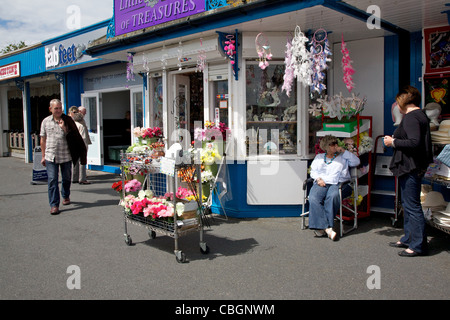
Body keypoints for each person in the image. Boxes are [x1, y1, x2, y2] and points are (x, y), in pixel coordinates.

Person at [384, 85, 433, 257]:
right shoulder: (420, 116)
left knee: (412, 205)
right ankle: (409, 238)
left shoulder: (412, 117)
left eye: (397, 102)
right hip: (413, 165)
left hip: (411, 166)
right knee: (408, 203)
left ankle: (418, 245)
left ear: (403, 101)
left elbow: (414, 142)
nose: (397, 106)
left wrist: (393, 142)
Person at [309, 135, 360, 240]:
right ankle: (328, 228)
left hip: (340, 183)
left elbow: (356, 162)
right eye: (332, 145)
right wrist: (318, 179)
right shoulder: (319, 157)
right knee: (313, 198)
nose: (335, 146)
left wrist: (343, 151)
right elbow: (313, 171)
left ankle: (323, 227)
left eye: (336, 144)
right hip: (321, 182)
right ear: (326, 146)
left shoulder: (343, 157)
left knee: (332, 196)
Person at [40, 99, 87, 215]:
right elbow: (43, 139)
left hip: (65, 156)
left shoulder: (67, 120)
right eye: (56, 108)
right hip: (51, 156)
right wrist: (43, 156)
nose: (59, 110)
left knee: (66, 178)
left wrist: (64, 129)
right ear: (50, 109)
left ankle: (65, 195)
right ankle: (54, 205)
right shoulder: (45, 121)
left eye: (60, 108)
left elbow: (75, 137)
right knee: (52, 180)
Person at [69, 106, 90, 184]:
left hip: (73, 144)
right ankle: (82, 179)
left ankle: (74, 178)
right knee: (82, 161)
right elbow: (83, 137)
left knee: (75, 161)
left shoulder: (72, 124)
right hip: (81, 144)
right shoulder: (81, 125)